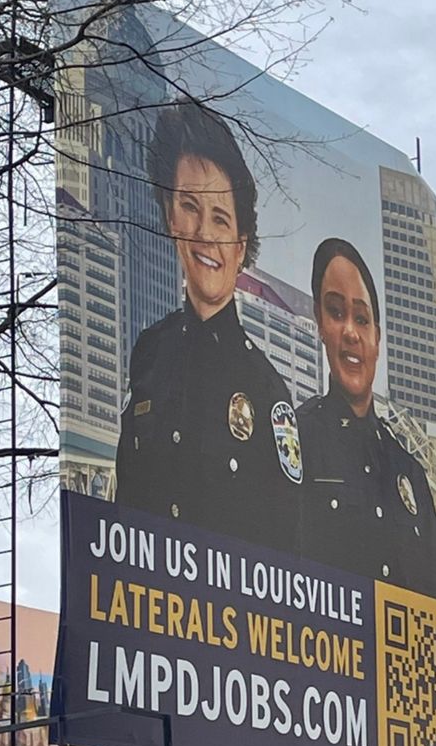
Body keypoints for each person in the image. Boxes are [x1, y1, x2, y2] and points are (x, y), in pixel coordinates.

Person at [115, 100, 302, 550]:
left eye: (220, 218)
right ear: (170, 217)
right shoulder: (150, 352)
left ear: (241, 245)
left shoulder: (266, 388)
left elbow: (286, 539)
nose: (204, 233)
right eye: (189, 207)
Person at [298, 238, 436, 602]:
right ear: (319, 322)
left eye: (362, 319)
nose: (351, 332)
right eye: (336, 313)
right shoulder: (297, 438)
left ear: (377, 338)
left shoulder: (409, 471)